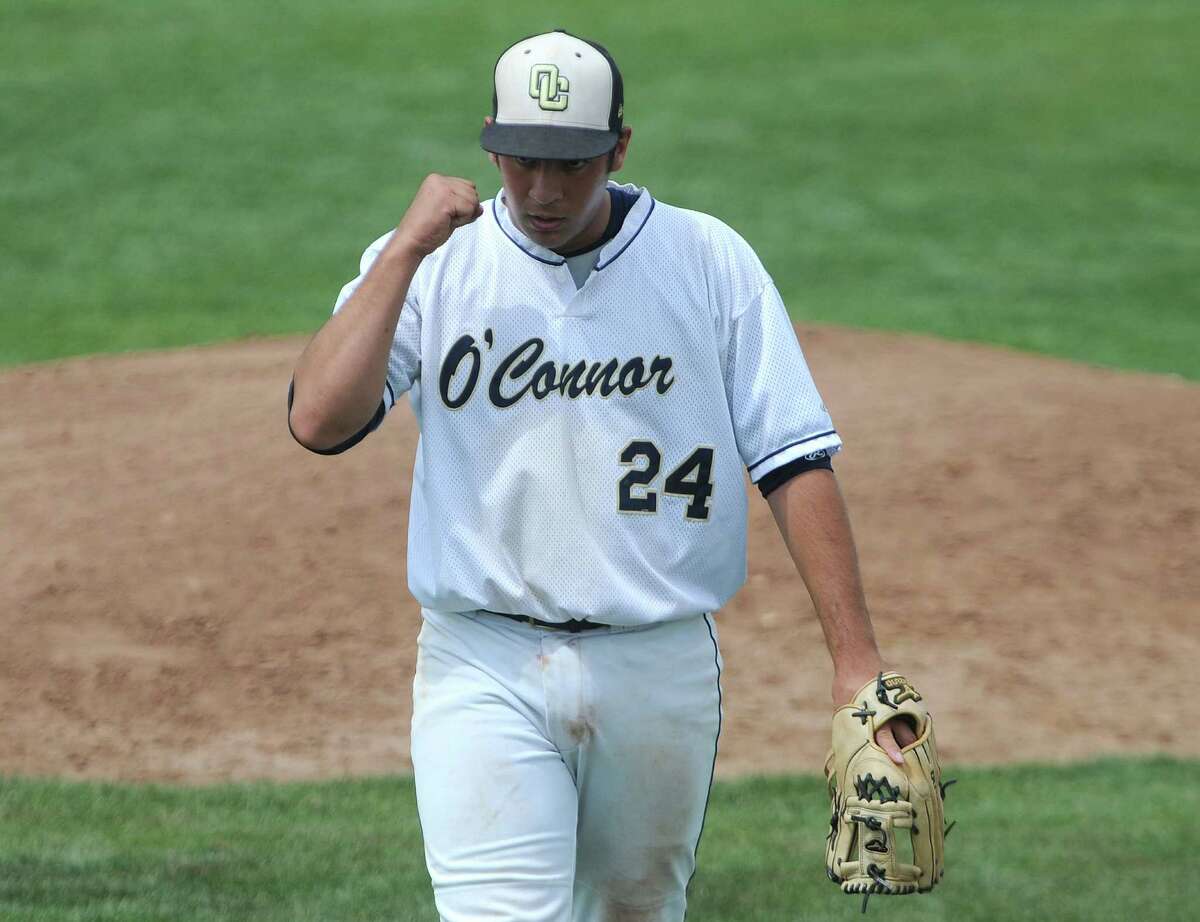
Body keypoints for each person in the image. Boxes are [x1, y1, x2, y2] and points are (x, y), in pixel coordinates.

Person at [289, 28, 916, 922]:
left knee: (636, 912)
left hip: (657, 662)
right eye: (522, 160)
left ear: (619, 147)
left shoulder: (708, 262)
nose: (543, 191)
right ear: (491, 141)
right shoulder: (437, 266)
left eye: (572, 164)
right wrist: (402, 253)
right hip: (483, 658)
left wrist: (857, 663)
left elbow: (793, 457)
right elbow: (317, 418)